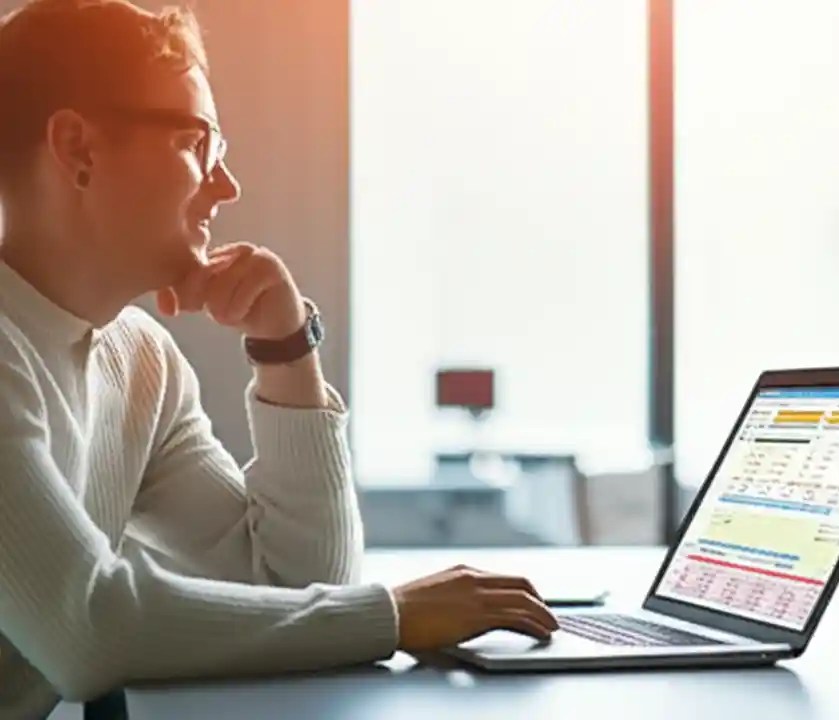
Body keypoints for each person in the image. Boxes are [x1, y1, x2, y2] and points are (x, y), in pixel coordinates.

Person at [0, 0, 558, 716]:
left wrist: (288, 351)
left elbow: (295, 588)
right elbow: (85, 631)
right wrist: (392, 615)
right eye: (199, 142)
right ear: (79, 148)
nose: (226, 187)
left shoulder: (142, 364)